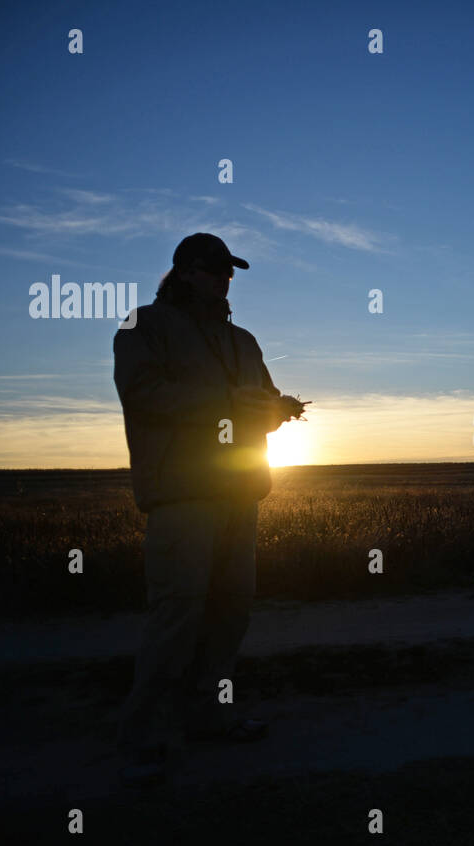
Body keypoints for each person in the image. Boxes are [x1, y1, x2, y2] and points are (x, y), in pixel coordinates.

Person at [112, 233, 307, 787]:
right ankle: (141, 735)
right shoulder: (141, 326)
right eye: (215, 270)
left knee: (231, 611)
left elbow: (260, 406)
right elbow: (143, 395)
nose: (226, 278)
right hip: (182, 495)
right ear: (185, 272)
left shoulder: (244, 340)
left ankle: (208, 715)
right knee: (177, 613)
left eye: (229, 271)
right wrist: (229, 404)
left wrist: (277, 409)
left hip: (241, 492)